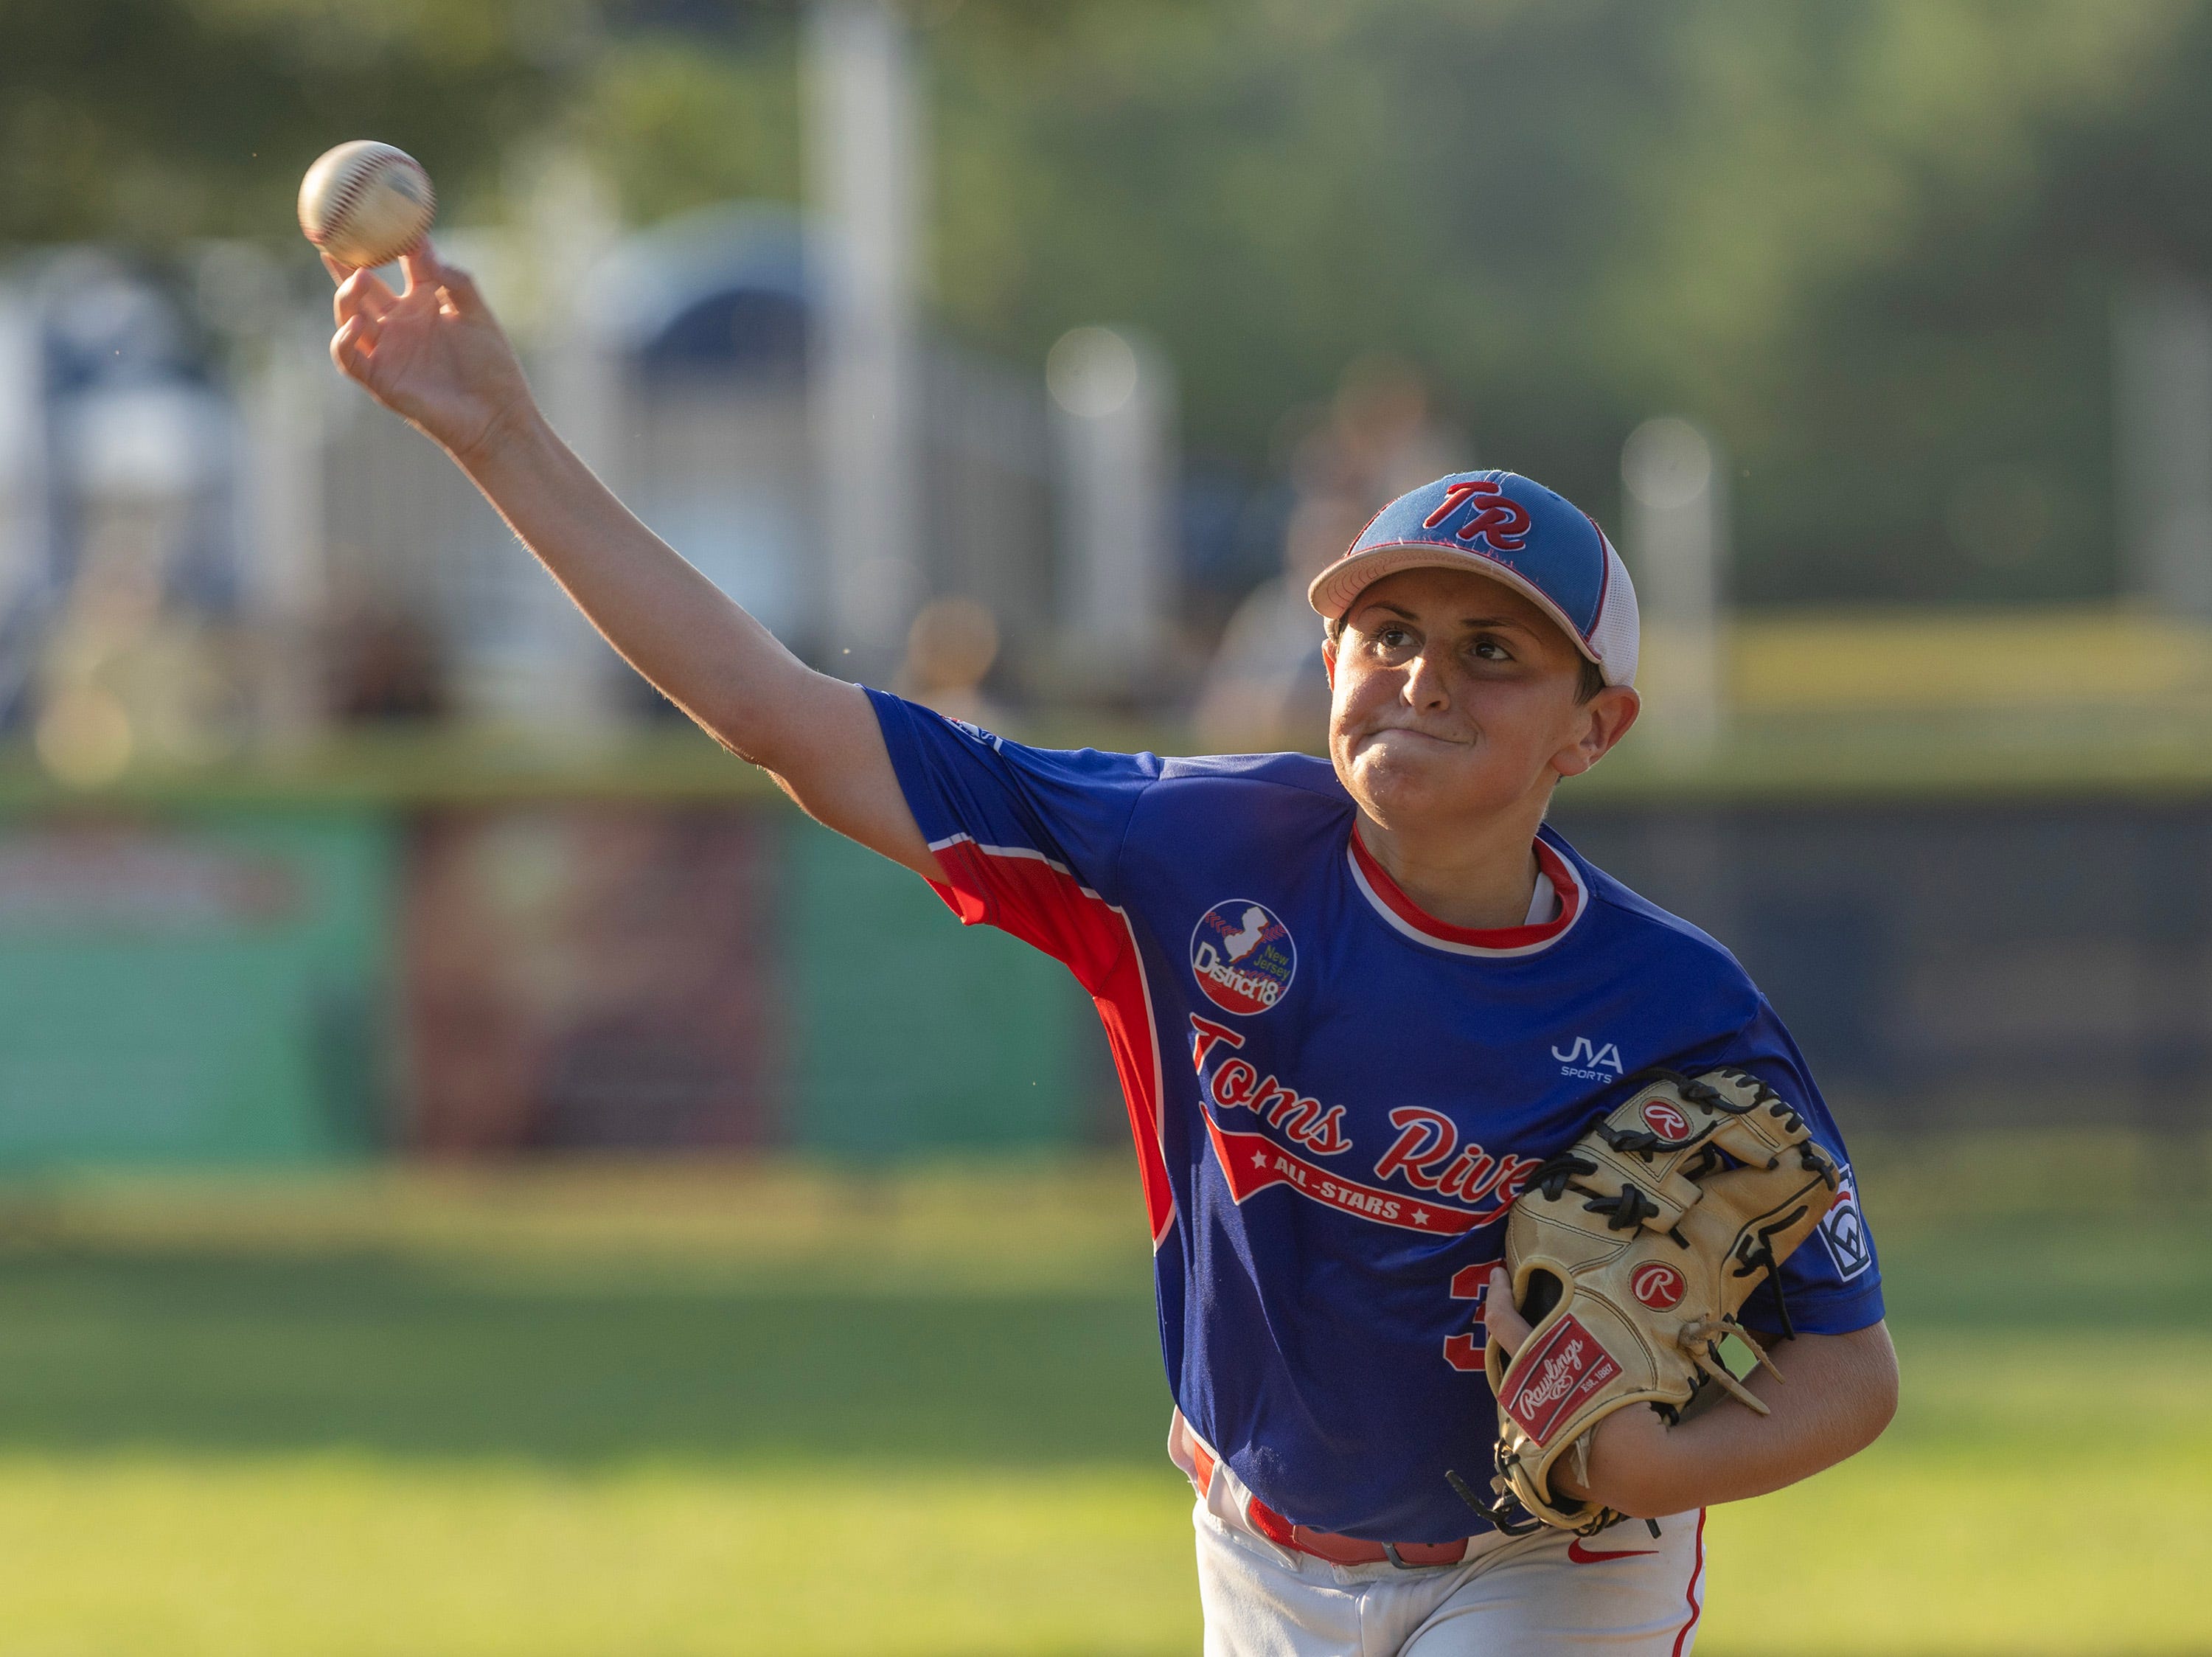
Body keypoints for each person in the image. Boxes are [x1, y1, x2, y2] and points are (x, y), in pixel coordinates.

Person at [323, 246, 1899, 1656]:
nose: (1424, 677)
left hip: (1556, 1562)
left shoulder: (1676, 1005)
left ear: (1596, 725)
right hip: (1263, 1555)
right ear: (1328, 652)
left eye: (1494, 652)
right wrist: (498, 435)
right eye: (1388, 632)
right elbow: (779, 717)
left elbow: (1850, 1370)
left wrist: (1648, 1464)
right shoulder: (1192, 854)